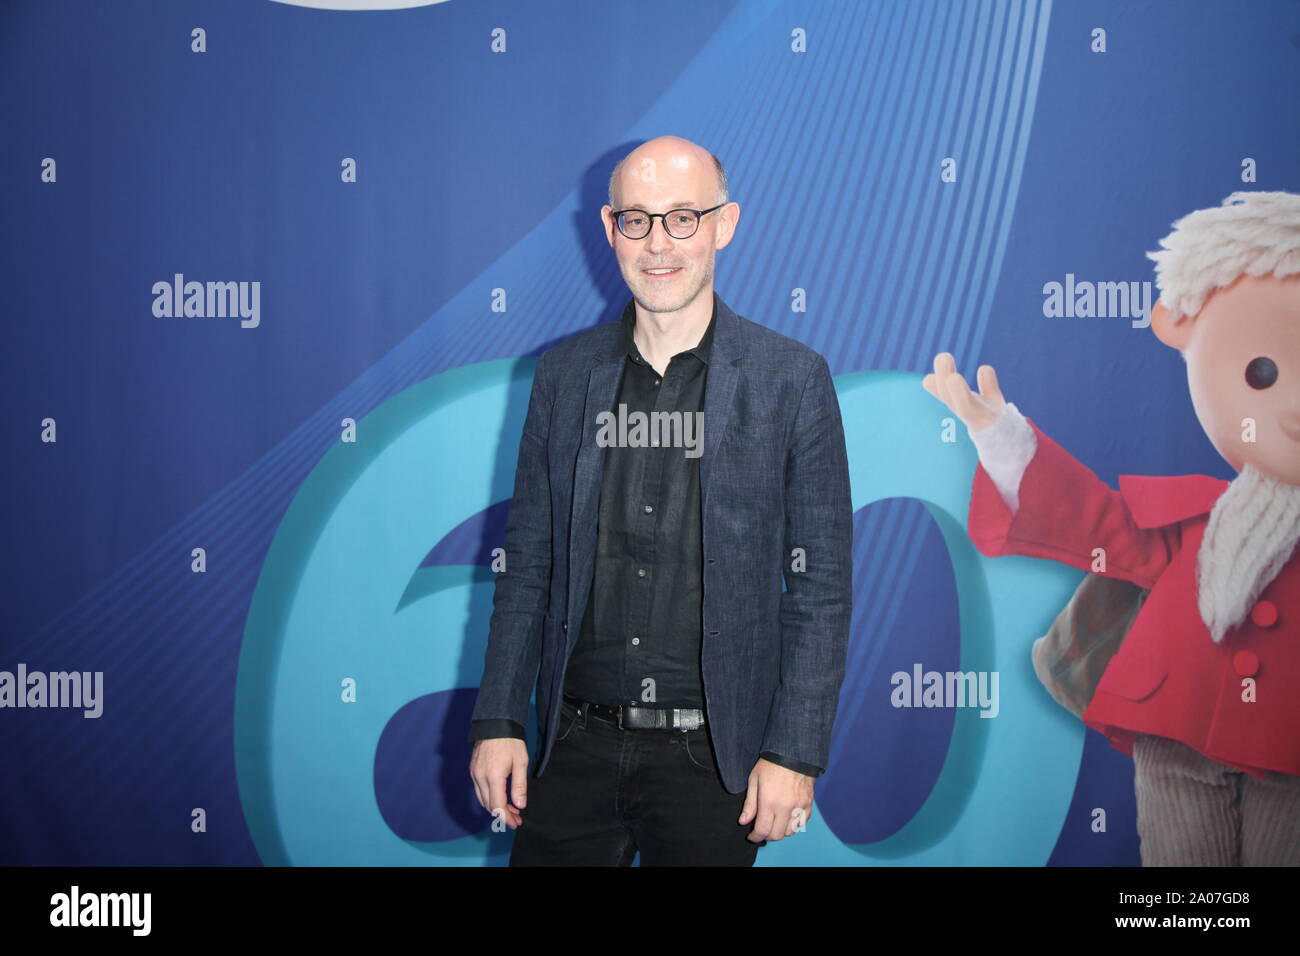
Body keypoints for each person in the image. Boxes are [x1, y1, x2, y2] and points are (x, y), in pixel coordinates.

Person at [467, 135, 853, 866]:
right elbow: (529, 563)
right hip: (571, 749)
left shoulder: (791, 380)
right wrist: (497, 717)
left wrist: (795, 751)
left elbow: (821, 588)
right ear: (611, 229)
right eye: (637, 220)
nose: (659, 244)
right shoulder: (564, 376)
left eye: (683, 217)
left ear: (724, 224)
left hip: (715, 763)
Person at [924, 190, 1300, 865]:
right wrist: (1003, 439)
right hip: (1178, 727)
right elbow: (1097, 523)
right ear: (1180, 326)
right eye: (1265, 374)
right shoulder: (1195, 519)